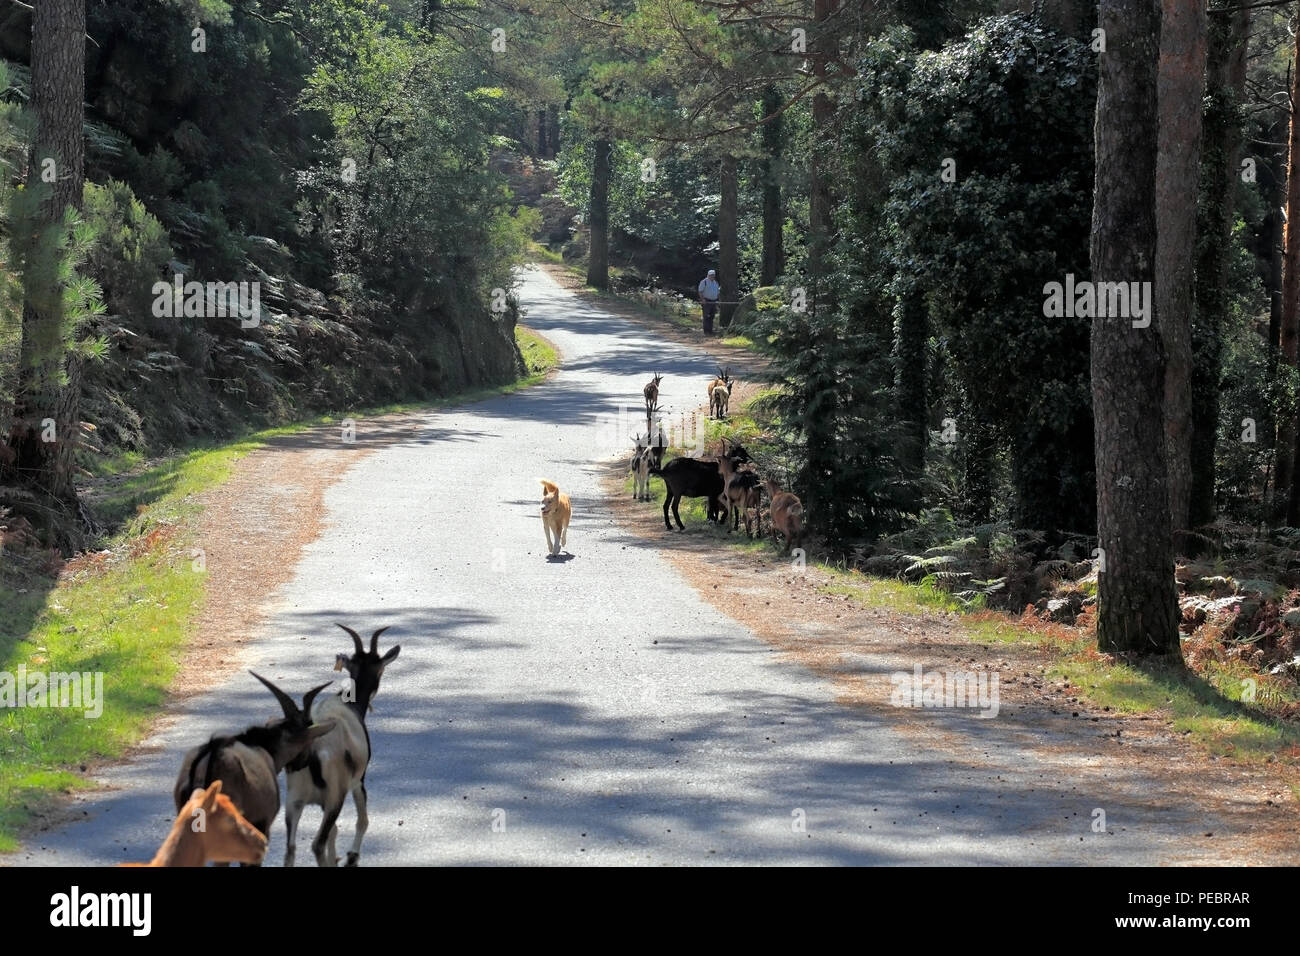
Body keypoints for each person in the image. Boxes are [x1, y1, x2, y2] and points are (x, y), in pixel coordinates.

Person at [698, 268, 720, 335]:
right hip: (706, 301)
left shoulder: (716, 283)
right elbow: (700, 291)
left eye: (713, 275)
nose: (712, 276)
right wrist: (703, 300)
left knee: (712, 316)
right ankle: (706, 331)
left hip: (714, 301)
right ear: (708, 275)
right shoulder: (704, 282)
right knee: (706, 316)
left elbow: (717, 292)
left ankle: (710, 331)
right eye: (710, 275)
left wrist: (718, 300)